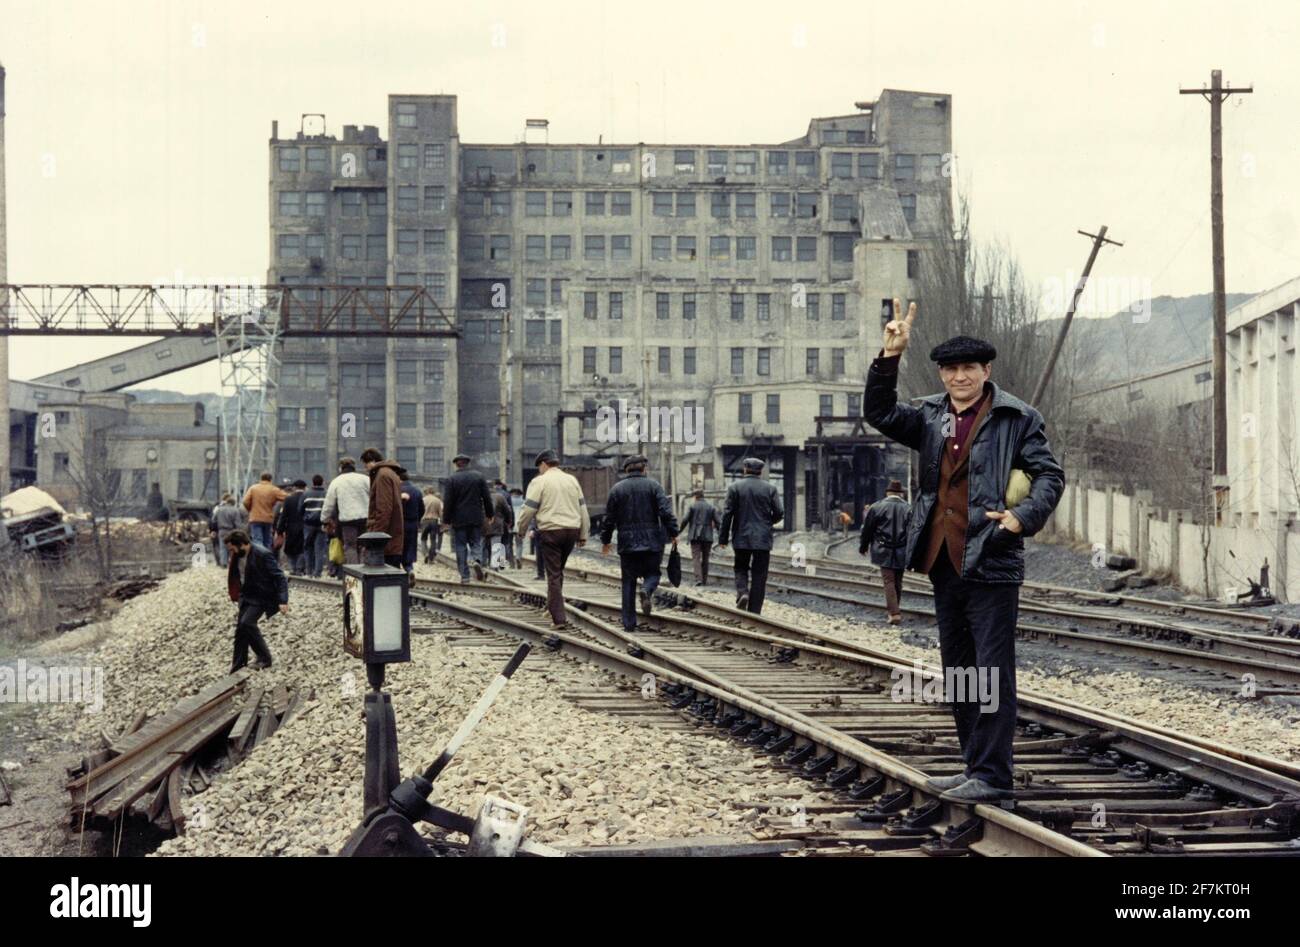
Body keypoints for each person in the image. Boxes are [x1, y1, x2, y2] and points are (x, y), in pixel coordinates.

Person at [863, 299, 1065, 804]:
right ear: (941, 373)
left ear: (985, 371)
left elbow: (1049, 475)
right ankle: (974, 765)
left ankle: (994, 776)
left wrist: (1022, 517)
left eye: (968, 368)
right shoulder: (930, 415)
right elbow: (879, 412)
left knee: (992, 670)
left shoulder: (1018, 417)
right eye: (951, 369)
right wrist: (889, 357)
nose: (959, 377)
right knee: (961, 671)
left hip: (992, 557)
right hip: (941, 559)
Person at [601, 455, 679, 631]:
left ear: (626, 470)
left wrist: (605, 540)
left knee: (628, 582)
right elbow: (665, 512)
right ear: (644, 469)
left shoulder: (617, 489)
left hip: (627, 544)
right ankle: (646, 589)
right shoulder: (654, 486)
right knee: (653, 574)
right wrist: (674, 532)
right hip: (652, 542)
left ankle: (629, 624)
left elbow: (609, 519)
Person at [515, 449, 589, 628]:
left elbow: (529, 508)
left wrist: (521, 529)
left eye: (539, 467)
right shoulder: (572, 480)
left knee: (553, 574)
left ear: (544, 464)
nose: (539, 470)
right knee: (558, 571)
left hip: (550, 531)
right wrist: (583, 533)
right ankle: (551, 607)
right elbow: (583, 508)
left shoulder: (539, 481)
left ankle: (559, 619)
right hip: (571, 530)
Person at [718, 457, 784, 613]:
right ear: (761, 471)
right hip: (763, 538)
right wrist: (768, 523)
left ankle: (742, 593)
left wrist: (722, 538)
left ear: (745, 469)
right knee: (760, 574)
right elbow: (780, 512)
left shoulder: (734, 488)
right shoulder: (770, 489)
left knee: (740, 568)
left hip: (741, 537)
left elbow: (727, 514)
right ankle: (754, 611)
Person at [223, 529, 288, 672]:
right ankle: (238, 665)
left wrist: (283, 600)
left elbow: (280, 577)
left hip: (262, 596)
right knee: (241, 629)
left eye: (232, 548)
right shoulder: (237, 555)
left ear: (241, 544)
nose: (231, 551)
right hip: (247, 596)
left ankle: (265, 658)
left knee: (247, 623)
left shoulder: (262, 554)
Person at [859, 479, 911, 623]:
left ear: (888, 492)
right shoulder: (908, 508)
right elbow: (913, 532)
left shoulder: (876, 507)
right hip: (902, 549)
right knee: (898, 582)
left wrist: (863, 547)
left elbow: (867, 530)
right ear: (901, 494)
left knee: (888, 581)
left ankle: (894, 613)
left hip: (883, 549)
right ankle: (895, 610)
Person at [441, 453, 494, 583]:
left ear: (457, 464)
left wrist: (446, 520)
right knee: (476, 542)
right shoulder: (479, 477)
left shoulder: (451, 479)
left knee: (460, 546)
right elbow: (487, 497)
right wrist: (489, 514)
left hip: (458, 519)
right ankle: (477, 561)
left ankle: (465, 576)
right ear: (468, 463)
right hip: (476, 517)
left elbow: (448, 501)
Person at [322, 456, 371, 570]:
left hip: (348, 520)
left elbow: (329, 504)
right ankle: (366, 571)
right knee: (365, 546)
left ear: (340, 468)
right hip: (365, 519)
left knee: (350, 547)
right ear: (354, 466)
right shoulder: (365, 479)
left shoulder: (337, 481)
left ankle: (355, 573)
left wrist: (324, 520)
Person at [360, 448, 406, 569]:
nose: (366, 469)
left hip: (386, 537)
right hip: (392, 533)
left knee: (384, 575)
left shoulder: (382, 475)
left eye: (366, 465)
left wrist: (376, 537)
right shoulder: (390, 473)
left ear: (372, 461)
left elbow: (384, 508)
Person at [677, 489, 721, 586]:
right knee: (706, 558)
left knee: (696, 557)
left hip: (695, 535)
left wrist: (678, 531)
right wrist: (721, 536)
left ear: (695, 497)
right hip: (708, 536)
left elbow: (685, 520)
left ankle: (698, 579)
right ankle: (704, 580)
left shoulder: (692, 506)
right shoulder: (711, 507)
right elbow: (718, 523)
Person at [242, 472, 287, 550]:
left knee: (257, 539)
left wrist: (251, 509)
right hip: (268, 518)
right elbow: (287, 497)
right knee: (267, 540)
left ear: (261, 478)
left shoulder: (253, 488)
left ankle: (258, 558)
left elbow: (245, 501)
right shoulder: (274, 489)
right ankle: (266, 558)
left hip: (255, 517)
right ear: (270, 479)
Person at [274, 479, 309, 575]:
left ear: (294, 487)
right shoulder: (307, 497)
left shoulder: (289, 499)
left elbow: (283, 515)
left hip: (291, 527)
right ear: (305, 487)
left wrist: (280, 530)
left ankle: (294, 567)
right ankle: (300, 567)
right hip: (305, 526)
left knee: (290, 549)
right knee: (303, 548)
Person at [399, 472, 424, 582]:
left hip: (399, 524)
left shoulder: (396, 490)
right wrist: (417, 520)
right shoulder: (417, 491)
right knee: (410, 547)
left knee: (398, 547)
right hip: (413, 524)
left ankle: (398, 573)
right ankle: (409, 569)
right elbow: (422, 509)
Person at [302, 474, 327, 578]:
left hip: (308, 525)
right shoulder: (326, 494)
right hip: (322, 524)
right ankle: (318, 573)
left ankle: (309, 571)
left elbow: (300, 509)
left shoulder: (306, 494)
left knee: (308, 548)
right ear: (322, 482)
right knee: (319, 549)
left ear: (312, 482)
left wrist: (305, 518)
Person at [486, 483, 515, 571]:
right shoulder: (503, 495)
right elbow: (508, 510)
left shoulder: (481, 496)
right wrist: (509, 521)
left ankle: (485, 563)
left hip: (484, 525)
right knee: (502, 543)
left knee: (486, 545)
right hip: (499, 524)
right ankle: (500, 564)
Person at [211, 494, 245, 567]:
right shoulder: (235, 510)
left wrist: (214, 529)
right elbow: (238, 523)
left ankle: (223, 563)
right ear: (233, 503)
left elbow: (213, 520)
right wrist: (240, 532)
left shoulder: (220, 509)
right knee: (231, 547)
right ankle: (232, 562)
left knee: (222, 547)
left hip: (221, 530)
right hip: (231, 531)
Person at [493, 480, 517, 568]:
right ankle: (502, 563)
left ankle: (493, 563)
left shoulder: (490, 494)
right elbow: (510, 510)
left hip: (490, 523)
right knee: (504, 542)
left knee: (493, 543)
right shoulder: (506, 494)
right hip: (503, 522)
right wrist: (511, 522)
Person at [420, 488, 442, 563]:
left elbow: (419, 511)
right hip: (434, 521)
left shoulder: (423, 500)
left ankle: (425, 553)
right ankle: (431, 558)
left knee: (423, 538)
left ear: (426, 492)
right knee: (433, 540)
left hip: (425, 520)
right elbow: (440, 513)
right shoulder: (437, 500)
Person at [509, 488, 526, 569]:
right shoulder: (524, 502)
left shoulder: (508, 501)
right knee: (519, 544)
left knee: (509, 544)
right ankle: (518, 557)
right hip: (520, 525)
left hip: (510, 525)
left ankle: (511, 562)